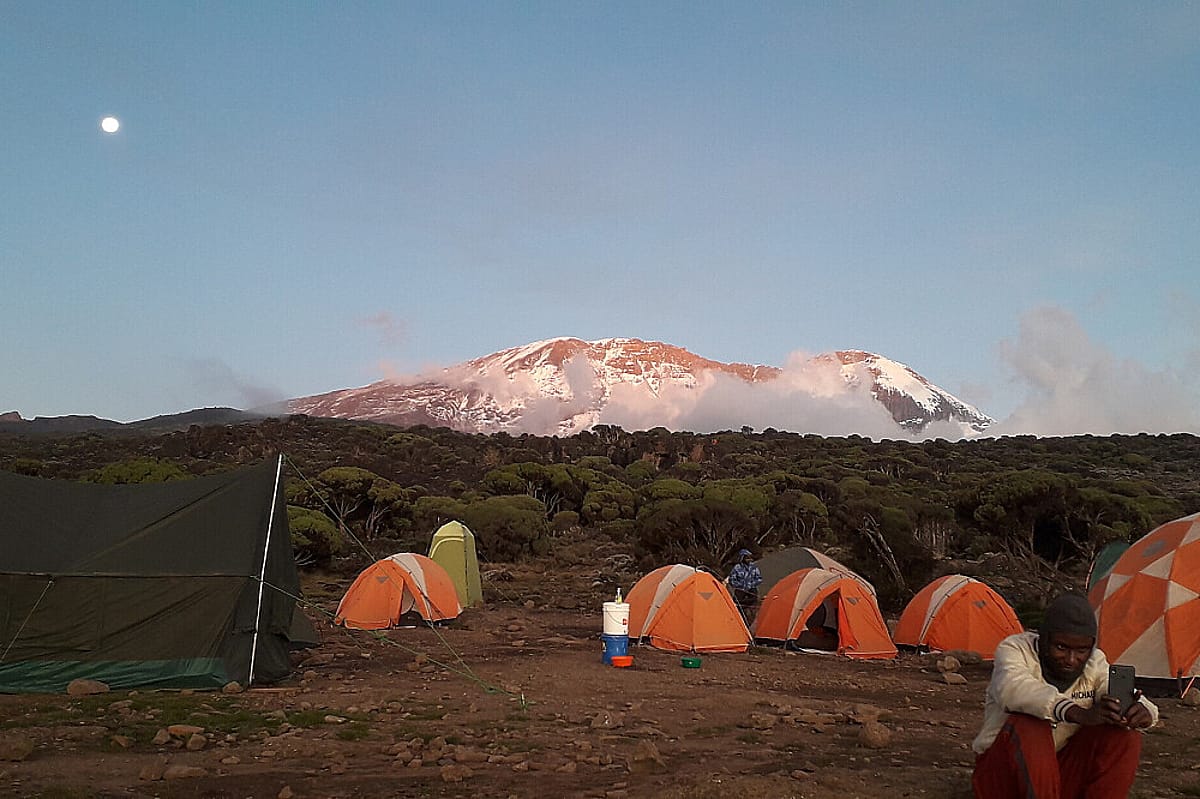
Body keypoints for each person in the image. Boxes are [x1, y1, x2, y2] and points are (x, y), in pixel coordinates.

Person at [971, 592, 1158, 798]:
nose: (1070, 659)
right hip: (1003, 776)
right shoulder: (1015, 649)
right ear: (1044, 639)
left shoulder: (1095, 661)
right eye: (1061, 647)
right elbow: (1012, 689)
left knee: (1123, 733)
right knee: (1030, 722)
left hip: (1058, 775)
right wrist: (1074, 712)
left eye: (1081, 651)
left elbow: (1110, 686)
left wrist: (1140, 710)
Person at [726, 549, 762, 622]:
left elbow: (759, 579)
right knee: (737, 604)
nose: (749, 559)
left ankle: (752, 619)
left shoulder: (754, 567)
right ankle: (737, 619)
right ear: (742, 558)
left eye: (749, 557)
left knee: (755, 602)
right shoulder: (737, 567)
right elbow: (731, 579)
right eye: (746, 557)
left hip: (751, 589)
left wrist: (751, 584)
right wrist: (740, 585)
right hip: (740, 589)